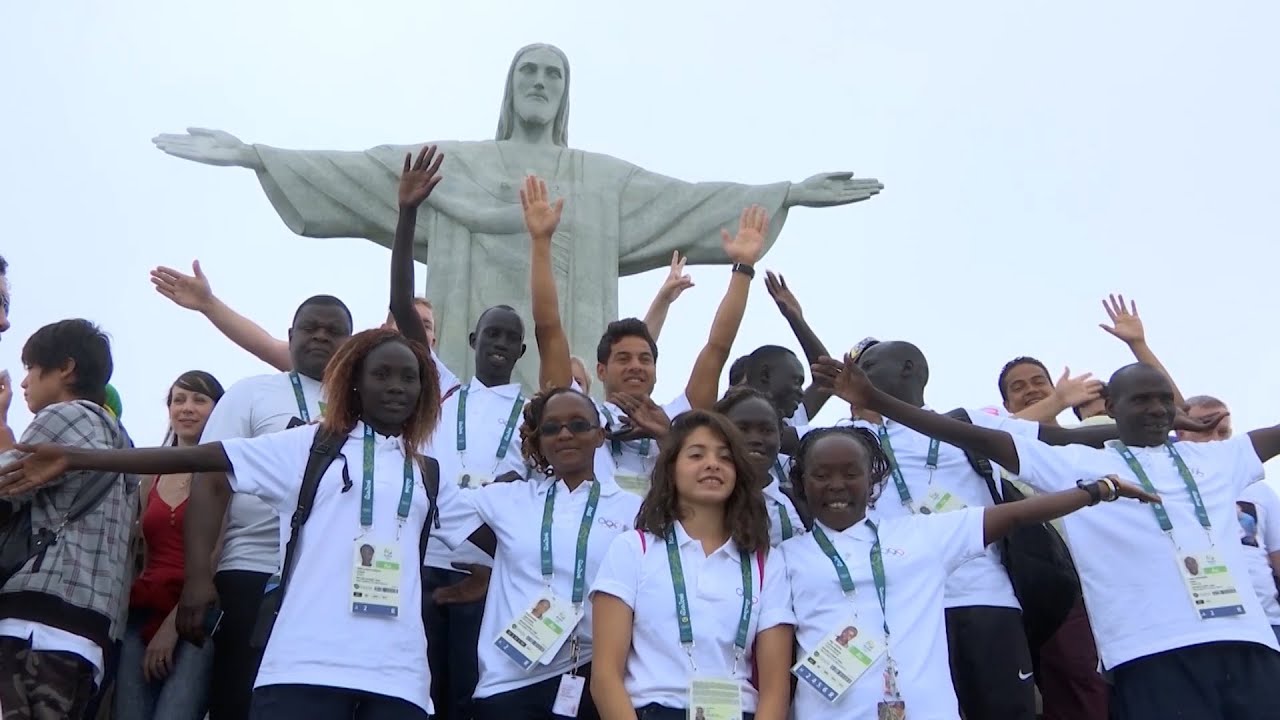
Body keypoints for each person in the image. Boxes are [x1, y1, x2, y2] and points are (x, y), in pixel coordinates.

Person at [151, 43, 883, 391]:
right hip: (461, 390)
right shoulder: (456, 162)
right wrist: (256, 155)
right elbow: (361, 169)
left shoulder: (600, 177)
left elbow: (687, 199)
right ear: (510, 86)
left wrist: (788, 192)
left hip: (569, 391)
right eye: (528, 71)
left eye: (553, 74)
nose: (540, 82)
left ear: (566, 93)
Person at [0, 327, 494, 719]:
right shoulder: (310, 447)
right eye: (381, 374)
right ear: (354, 384)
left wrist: (489, 575)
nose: (397, 386)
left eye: (409, 377)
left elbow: (500, 541)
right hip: (301, 669)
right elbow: (200, 459)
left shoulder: (429, 475)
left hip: (399, 680)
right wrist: (77, 457)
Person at [817, 354, 1280, 719]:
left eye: (1164, 400)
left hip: (1250, 644)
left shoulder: (1222, 459)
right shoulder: (1079, 466)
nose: (1157, 409)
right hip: (1146, 653)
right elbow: (973, 437)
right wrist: (876, 400)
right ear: (1111, 409)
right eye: (1141, 400)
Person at [781, 425, 1154, 719]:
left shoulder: (921, 535)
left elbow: (1016, 515)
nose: (837, 486)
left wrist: (1099, 489)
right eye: (821, 475)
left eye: (851, 473)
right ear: (801, 482)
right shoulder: (786, 557)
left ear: (872, 479)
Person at [391, 146, 526, 720]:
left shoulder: (534, 413)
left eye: (510, 338)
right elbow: (402, 307)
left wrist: (493, 553)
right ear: (472, 341)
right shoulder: (443, 388)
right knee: (416, 695)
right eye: (491, 334)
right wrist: (407, 215)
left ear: (522, 351)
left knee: (468, 699)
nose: (499, 343)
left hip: (488, 570)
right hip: (422, 559)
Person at [178, 294, 352, 720]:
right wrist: (197, 577)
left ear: (350, 345)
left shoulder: (362, 404)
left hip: (329, 582)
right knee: (240, 701)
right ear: (290, 336)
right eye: (310, 328)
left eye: (334, 331)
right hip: (253, 570)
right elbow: (211, 482)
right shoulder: (252, 393)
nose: (321, 336)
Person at [435, 385, 642, 720]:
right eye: (551, 428)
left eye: (578, 425)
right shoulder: (510, 498)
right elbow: (434, 499)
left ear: (600, 436)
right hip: (508, 682)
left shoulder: (634, 510)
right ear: (539, 440)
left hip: (593, 675)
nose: (565, 434)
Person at [590, 410, 794, 720]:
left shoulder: (767, 563)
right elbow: (605, 677)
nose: (712, 464)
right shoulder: (633, 549)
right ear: (671, 469)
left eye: (725, 457)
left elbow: (775, 691)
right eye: (696, 455)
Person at [0, 319, 138, 719]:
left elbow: (5, 490)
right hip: (87, 636)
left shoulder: (66, 416)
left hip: (34, 623)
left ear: (65, 368)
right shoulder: (123, 444)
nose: (24, 382)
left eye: (31, 367)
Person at [148, 261, 460, 395]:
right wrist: (209, 304)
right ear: (384, 329)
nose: (416, 331)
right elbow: (266, 345)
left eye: (425, 325)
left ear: (434, 339)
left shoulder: (448, 389)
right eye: (406, 322)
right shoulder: (356, 370)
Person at [116, 370, 225, 720]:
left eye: (199, 400)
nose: (187, 408)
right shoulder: (151, 476)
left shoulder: (225, 474)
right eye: (179, 400)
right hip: (143, 608)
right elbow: (143, 553)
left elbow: (218, 554)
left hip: (196, 616)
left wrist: (172, 628)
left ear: (219, 410)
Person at [713, 386, 805, 544]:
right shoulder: (703, 501)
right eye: (742, 429)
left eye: (767, 430)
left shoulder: (800, 504)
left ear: (780, 435)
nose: (755, 439)